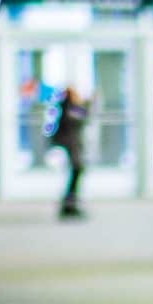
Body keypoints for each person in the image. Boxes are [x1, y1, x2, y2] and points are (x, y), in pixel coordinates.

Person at [47, 86, 90, 218]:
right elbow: (81, 120)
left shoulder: (66, 108)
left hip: (72, 146)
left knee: (76, 171)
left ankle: (70, 203)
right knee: (76, 170)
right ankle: (69, 204)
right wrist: (87, 106)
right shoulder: (68, 109)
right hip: (71, 146)